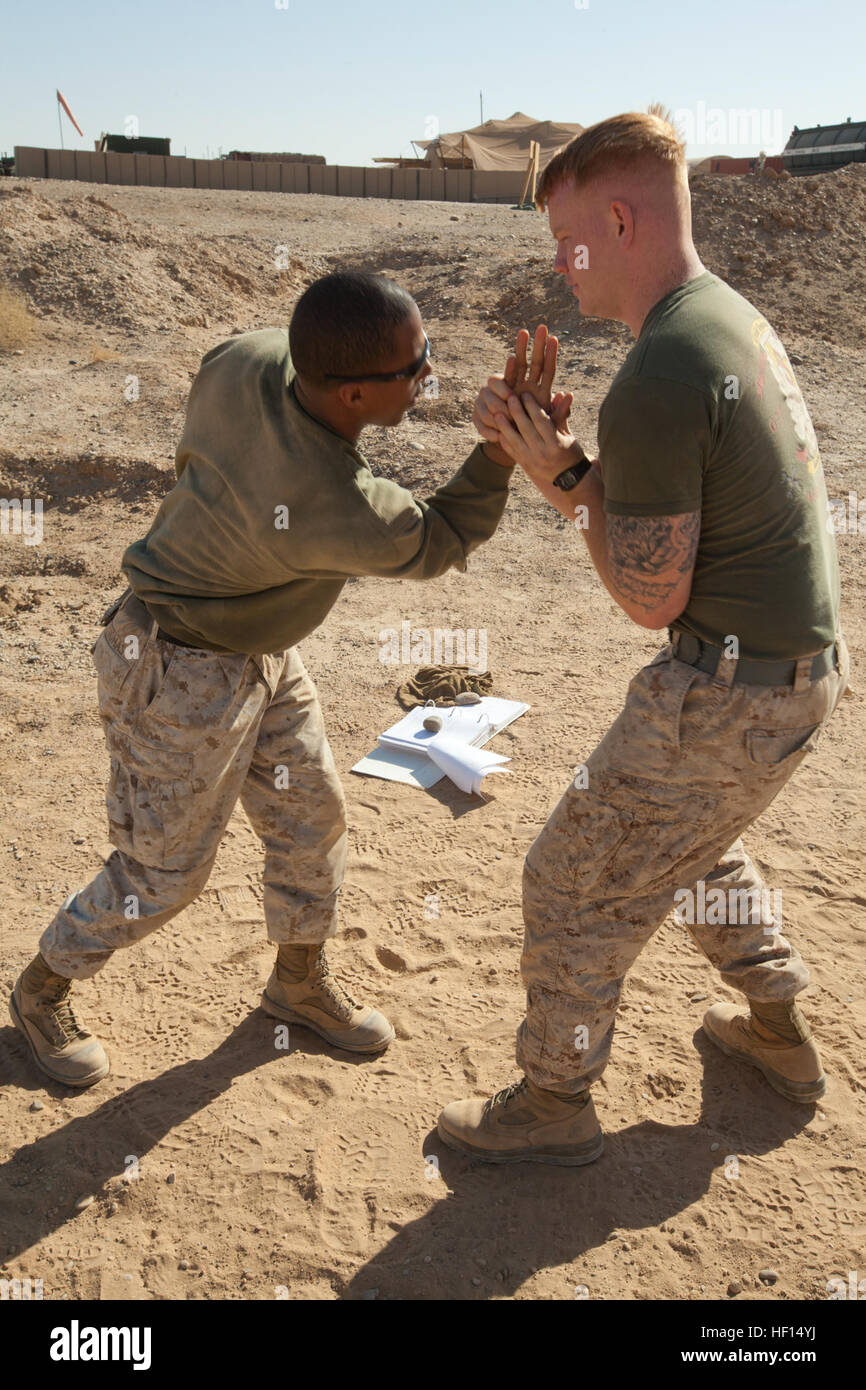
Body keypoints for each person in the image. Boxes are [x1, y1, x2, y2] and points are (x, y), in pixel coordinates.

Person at [437, 109, 848, 1166]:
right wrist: (569, 459)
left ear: (618, 223)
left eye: (566, 241)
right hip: (790, 679)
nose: (558, 266)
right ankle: (775, 1027)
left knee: (567, 880)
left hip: (725, 692)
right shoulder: (720, 320)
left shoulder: (662, 372)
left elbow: (648, 596)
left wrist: (558, 477)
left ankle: (553, 1101)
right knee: (690, 841)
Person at [10, 270, 537, 1088]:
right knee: (163, 874)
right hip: (179, 670)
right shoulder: (330, 501)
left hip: (257, 650)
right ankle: (43, 988)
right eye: (415, 365)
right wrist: (502, 449)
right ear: (353, 393)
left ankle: (297, 983)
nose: (429, 372)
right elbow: (440, 540)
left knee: (310, 818)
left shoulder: (248, 358)